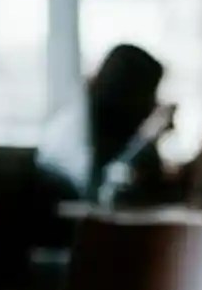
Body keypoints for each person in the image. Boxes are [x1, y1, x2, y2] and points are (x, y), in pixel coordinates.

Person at [37, 44, 177, 203]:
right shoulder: (78, 128)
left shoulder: (104, 118)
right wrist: (143, 140)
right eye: (151, 93)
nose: (154, 102)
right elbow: (101, 193)